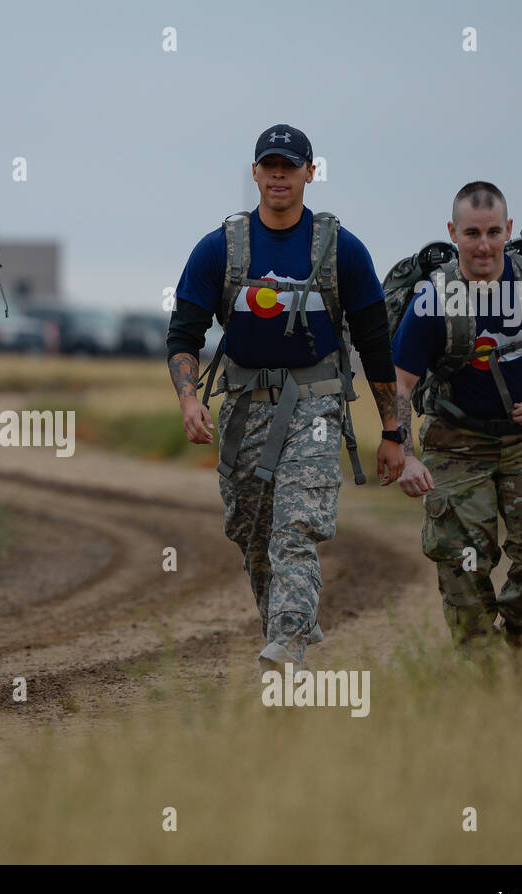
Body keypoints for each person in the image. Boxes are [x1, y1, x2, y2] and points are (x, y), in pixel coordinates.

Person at [167, 124, 404, 673]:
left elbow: (374, 347)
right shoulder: (220, 248)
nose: (279, 174)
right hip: (245, 407)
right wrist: (187, 397)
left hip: (317, 404)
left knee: (296, 524)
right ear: (254, 172)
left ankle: (289, 642)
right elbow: (183, 335)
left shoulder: (342, 249)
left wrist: (394, 433)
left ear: (309, 173)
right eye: (269, 164)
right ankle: (284, 628)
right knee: (251, 532)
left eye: (290, 165)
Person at [393, 181, 522, 652]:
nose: (483, 245)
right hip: (454, 442)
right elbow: (399, 384)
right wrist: (406, 456)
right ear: (453, 232)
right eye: (471, 233)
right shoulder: (433, 297)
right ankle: (481, 664)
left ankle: (517, 630)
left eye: (491, 232)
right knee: (464, 561)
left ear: (507, 229)